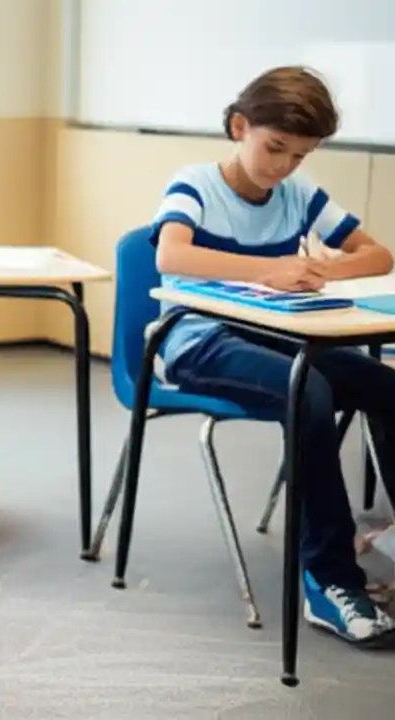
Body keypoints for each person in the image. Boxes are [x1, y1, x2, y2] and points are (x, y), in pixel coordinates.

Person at [153, 65, 395, 645]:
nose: (283, 167)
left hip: (277, 334)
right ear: (241, 126)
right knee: (306, 390)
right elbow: (172, 255)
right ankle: (330, 580)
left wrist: (325, 267)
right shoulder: (196, 184)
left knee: (387, 385)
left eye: (300, 156)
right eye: (275, 148)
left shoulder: (298, 197)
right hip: (197, 341)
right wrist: (270, 269)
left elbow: (377, 255)